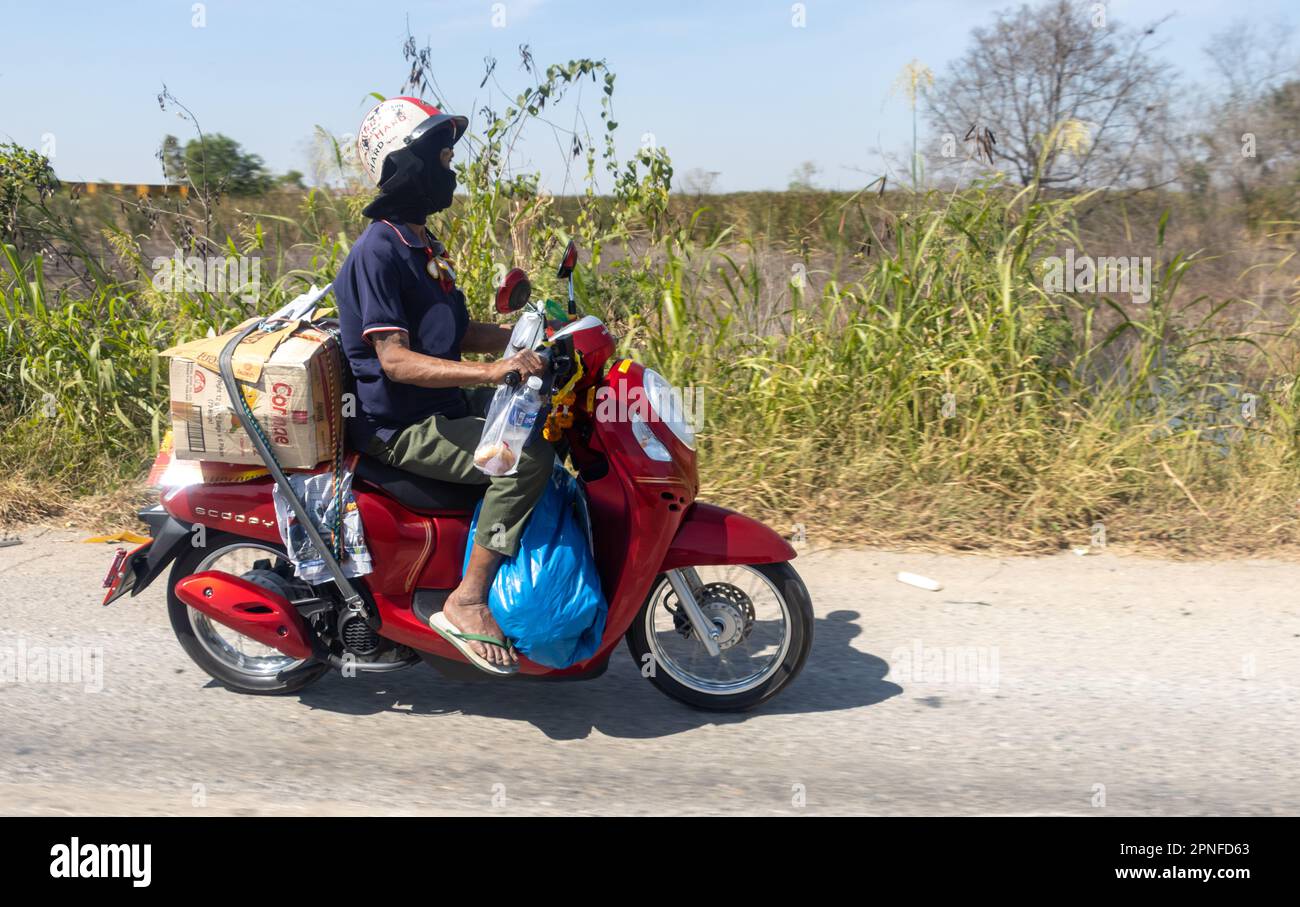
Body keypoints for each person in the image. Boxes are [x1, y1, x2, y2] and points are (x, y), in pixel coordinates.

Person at [334, 97, 552, 673]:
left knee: (546, 414)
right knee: (521, 459)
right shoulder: (379, 250)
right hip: (400, 424)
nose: (451, 171)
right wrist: (493, 371)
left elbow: (452, 332)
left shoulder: (422, 245)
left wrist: (521, 341)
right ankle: (468, 598)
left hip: (440, 401)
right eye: (443, 157)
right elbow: (398, 360)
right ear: (406, 165)